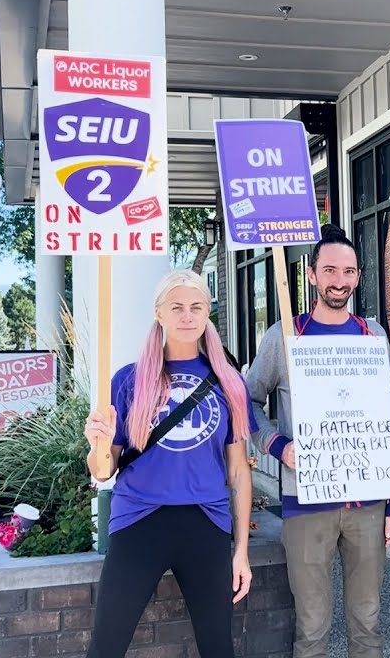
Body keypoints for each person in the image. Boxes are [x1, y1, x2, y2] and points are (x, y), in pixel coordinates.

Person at [247, 224, 390, 658]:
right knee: (312, 626)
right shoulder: (285, 337)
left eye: (349, 271)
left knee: (368, 623)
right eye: (330, 270)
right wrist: (276, 445)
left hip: (369, 502)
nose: (340, 281)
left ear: (358, 276)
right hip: (306, 503)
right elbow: (246, 400)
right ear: (312, 274)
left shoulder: (373, 335)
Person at [83, 269, 258, 658]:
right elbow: (102, 471)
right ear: (158, 313)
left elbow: (238, 471)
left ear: (208, 313)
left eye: (196, 307)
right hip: (138, 520)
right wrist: (98, 442)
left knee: (218, 647)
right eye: (176, 307)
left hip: (206, 522)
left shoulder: (229, 382)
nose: (187, 316)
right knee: (106, 645)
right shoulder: (129, 380)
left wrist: (241, 550)